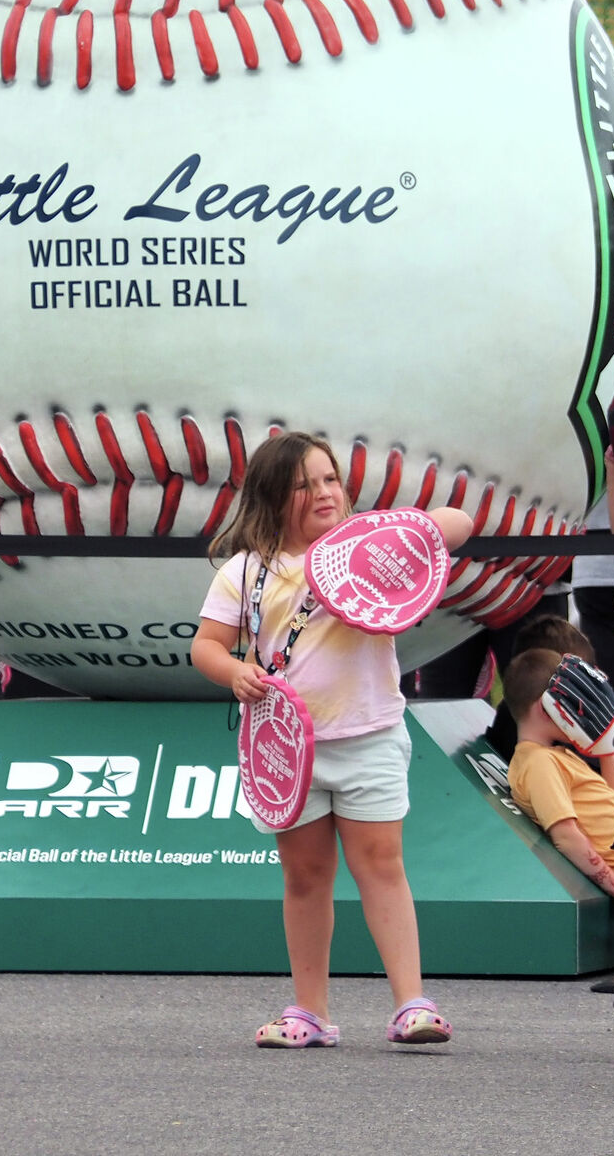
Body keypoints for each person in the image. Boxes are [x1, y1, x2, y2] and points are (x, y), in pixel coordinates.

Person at [190, 431, 474, 1049]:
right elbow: (206, 645)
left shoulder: (368, 549)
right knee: (305, 876)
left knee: (382, 866)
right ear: (271, 497)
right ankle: (310, 1011)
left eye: (329, 479)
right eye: (302, 484)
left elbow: (456, 523)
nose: (322, 492)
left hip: (370, 736)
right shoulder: (247, 570)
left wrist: (401, 530)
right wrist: (234, 672)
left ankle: (412, 1003)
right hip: (287, 750)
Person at [502, 648, 614, 911]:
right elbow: (566, 837)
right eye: (572, 702)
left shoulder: (556, 755)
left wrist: (605, 749)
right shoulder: (539, 763)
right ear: (546, 708)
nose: (581, 710)